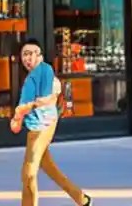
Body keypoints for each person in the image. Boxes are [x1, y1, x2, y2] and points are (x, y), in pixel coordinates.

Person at [10, 37, 91, 206]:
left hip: (44, 125)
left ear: (40, 56)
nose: (28, 58)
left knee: (29, 172)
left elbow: (48, 97)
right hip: (35, 128)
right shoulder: (30, 78)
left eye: (32, 54)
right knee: (48, 167)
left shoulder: (45, 71)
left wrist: (27, 108)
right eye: (25, 54)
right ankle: (81, 198)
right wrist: (19, 116)